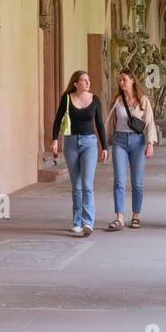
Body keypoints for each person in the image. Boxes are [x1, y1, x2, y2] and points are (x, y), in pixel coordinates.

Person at [50, 70, 108, 236]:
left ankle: (88, 222)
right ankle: (77, 222)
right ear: (75, 83)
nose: (87, 83)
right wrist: (55, 140)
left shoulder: (94, 100)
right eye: (84, 80)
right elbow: (57, 119)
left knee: (87, 184)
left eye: (88, 80)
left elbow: (100, 124)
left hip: (90, 143)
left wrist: (104, 147)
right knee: (76, 185)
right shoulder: (67, 99)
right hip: (71, 143)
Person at [104, 69, 158, 230]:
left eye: (124, 80)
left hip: (138, 142)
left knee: (137, 182)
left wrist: (150, 144)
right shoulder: (117, 100)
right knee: (119, 181)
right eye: (119, 80)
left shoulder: (143, 100)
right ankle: (119, 217)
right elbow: (109, 121)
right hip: (119, 140)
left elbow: (149, 123)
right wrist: (102, 142)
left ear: (132, 80)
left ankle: (135, 216)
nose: (121, 83)